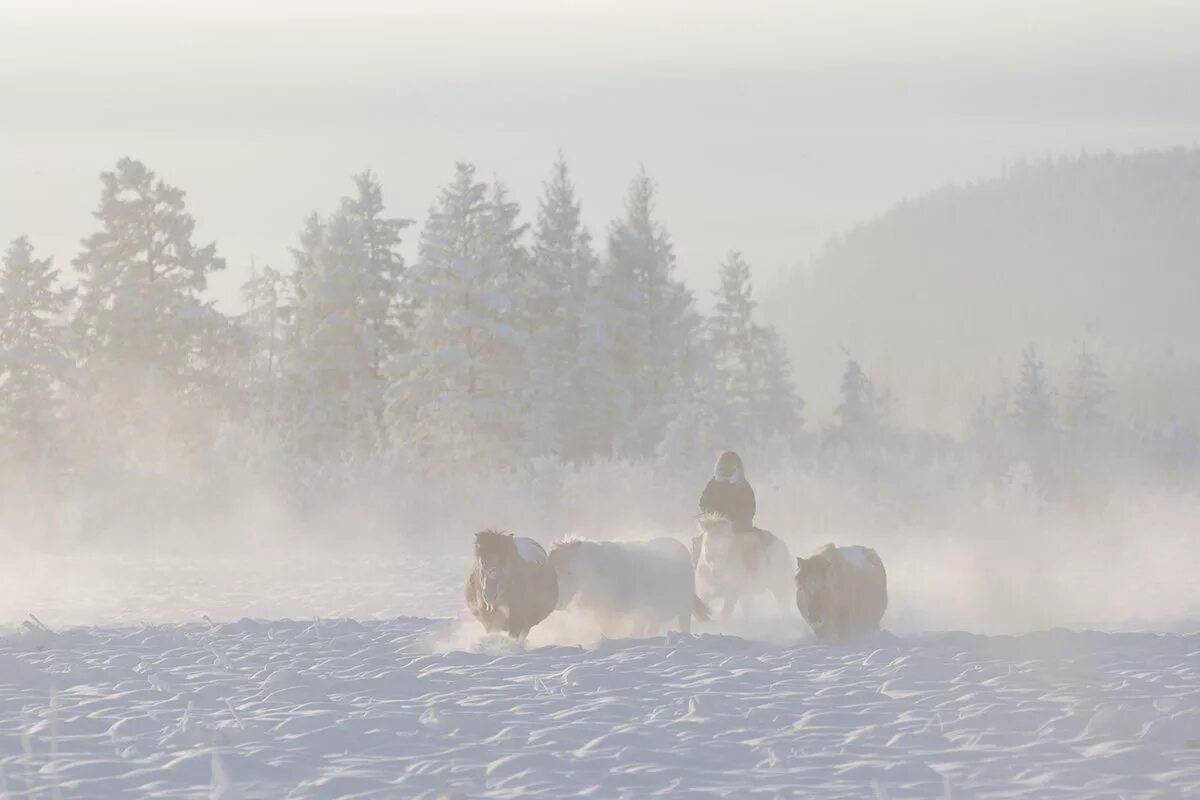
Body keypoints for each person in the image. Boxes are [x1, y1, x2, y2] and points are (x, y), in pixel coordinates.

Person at [699, 450, 756, 533]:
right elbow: (704, 503)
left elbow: (749, 511)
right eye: (723, 469)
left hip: (739, 531)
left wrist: (734, 524)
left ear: (737, 469)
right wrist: (711, 514)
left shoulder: (743, 487)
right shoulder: (713, 484)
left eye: (730, 469)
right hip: (715, 527)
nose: (726, 472)